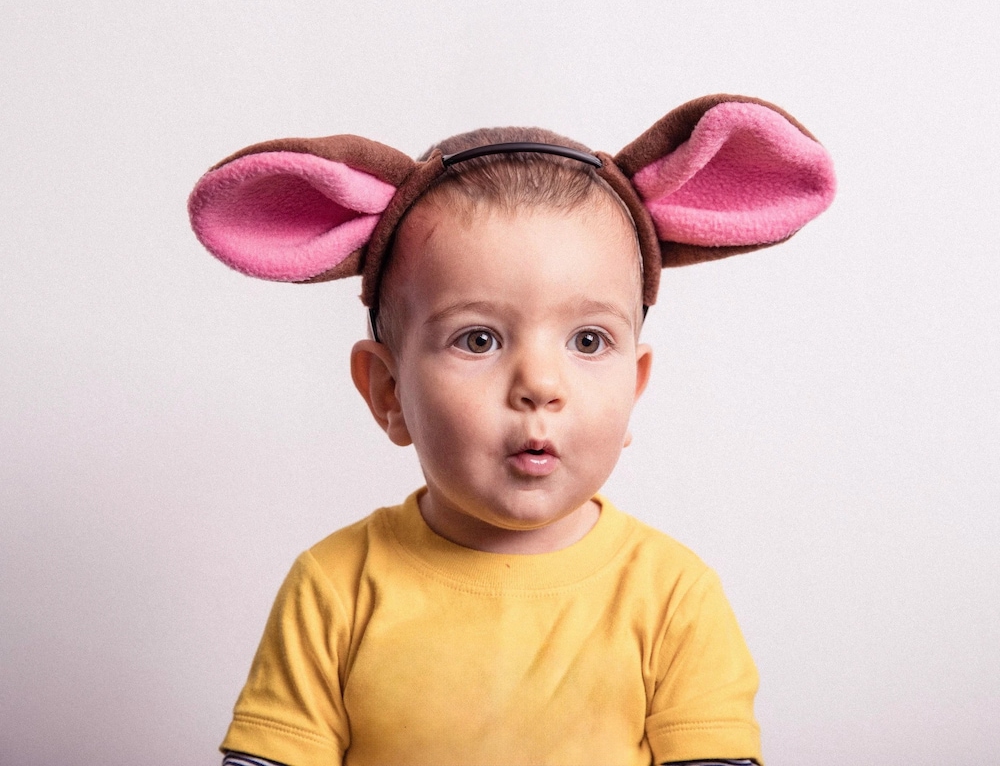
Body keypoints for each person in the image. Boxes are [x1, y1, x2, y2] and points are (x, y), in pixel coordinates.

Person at [187, 95, 836, 766]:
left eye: (588, 340)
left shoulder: (673, 595)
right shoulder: (335, 588)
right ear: (388, 394)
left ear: (634, 390)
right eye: (478, 338)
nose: (540, 385)